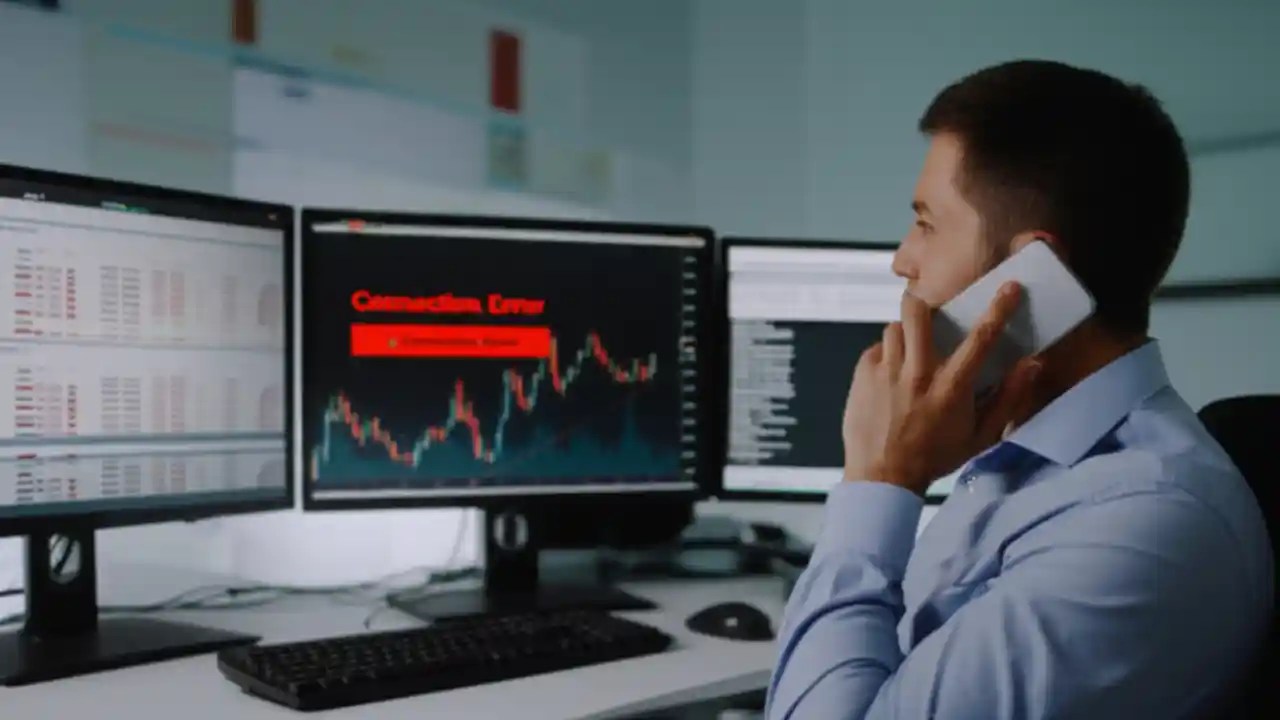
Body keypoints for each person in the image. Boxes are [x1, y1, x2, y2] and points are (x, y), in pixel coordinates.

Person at [765, 59, 1274, 719]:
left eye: (925, 223)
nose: (902, 259)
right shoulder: (1024, 459)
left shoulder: (1139, 526)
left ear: (1030, 275)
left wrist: (878, 481)